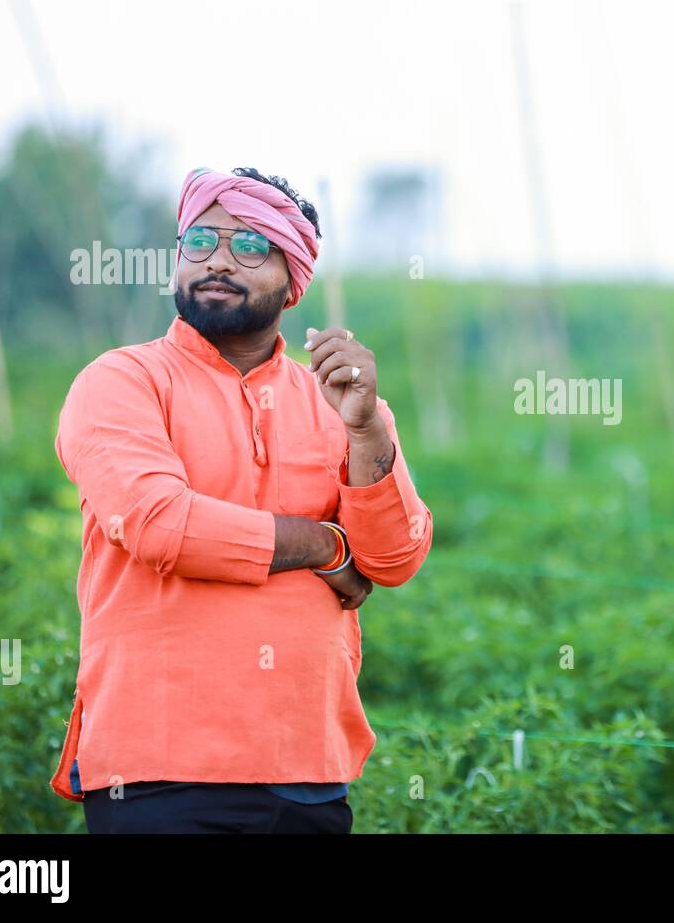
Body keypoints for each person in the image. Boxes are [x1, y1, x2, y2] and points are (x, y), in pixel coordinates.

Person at [51, 166, 433, 833]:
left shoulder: (338, 403)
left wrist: (367, 429)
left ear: (294, 281)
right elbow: (161, 526)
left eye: (251, 246)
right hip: (159, 769)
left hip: (308, 772)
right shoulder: (120, 382)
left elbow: (395, 558)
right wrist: (323, 543)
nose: (219, 261)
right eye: (200, 241)